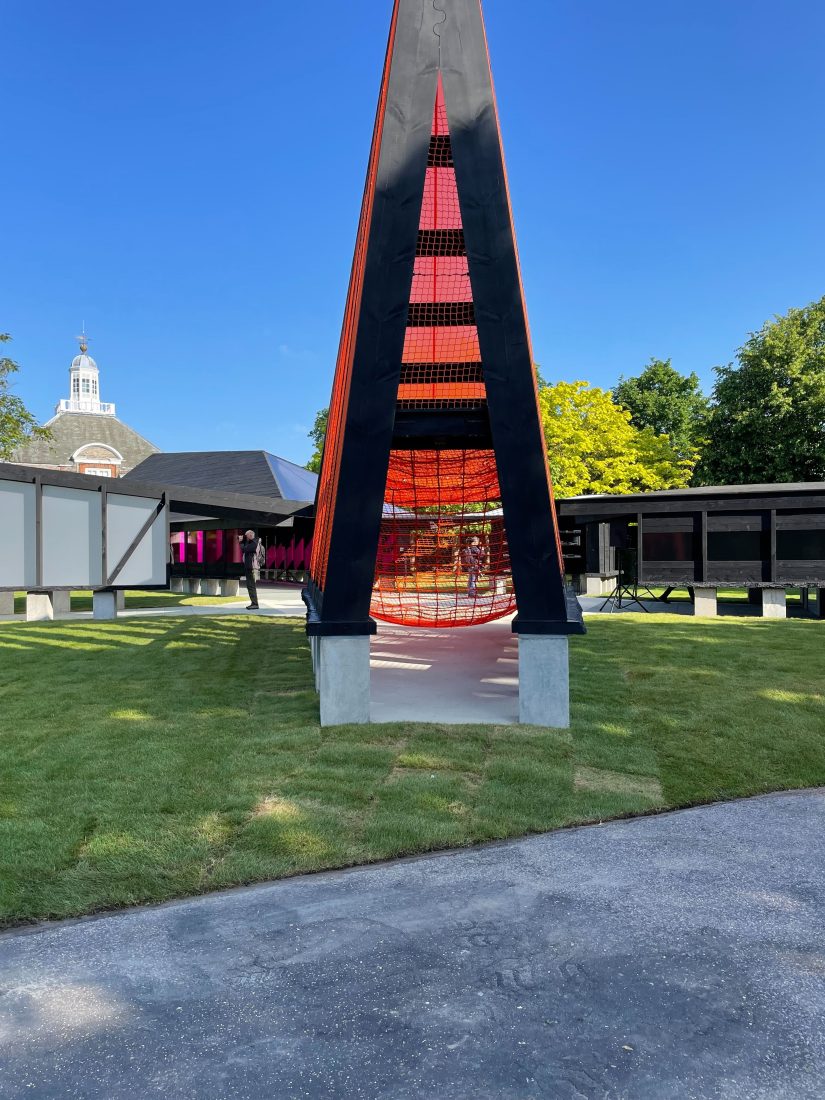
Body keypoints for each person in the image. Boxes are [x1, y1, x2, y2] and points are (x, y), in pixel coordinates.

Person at [239, 530, 262, 610]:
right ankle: (253, 603)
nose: (246, 537)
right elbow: (245, 549)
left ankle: (255, 604)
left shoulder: (254, 543)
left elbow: (245, 549)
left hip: (251, 568)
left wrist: (241, 542)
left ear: (250, 535)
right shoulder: (252, 542)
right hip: (249, 567)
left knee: (251, 586)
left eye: (246, 536)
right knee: (250, 586)